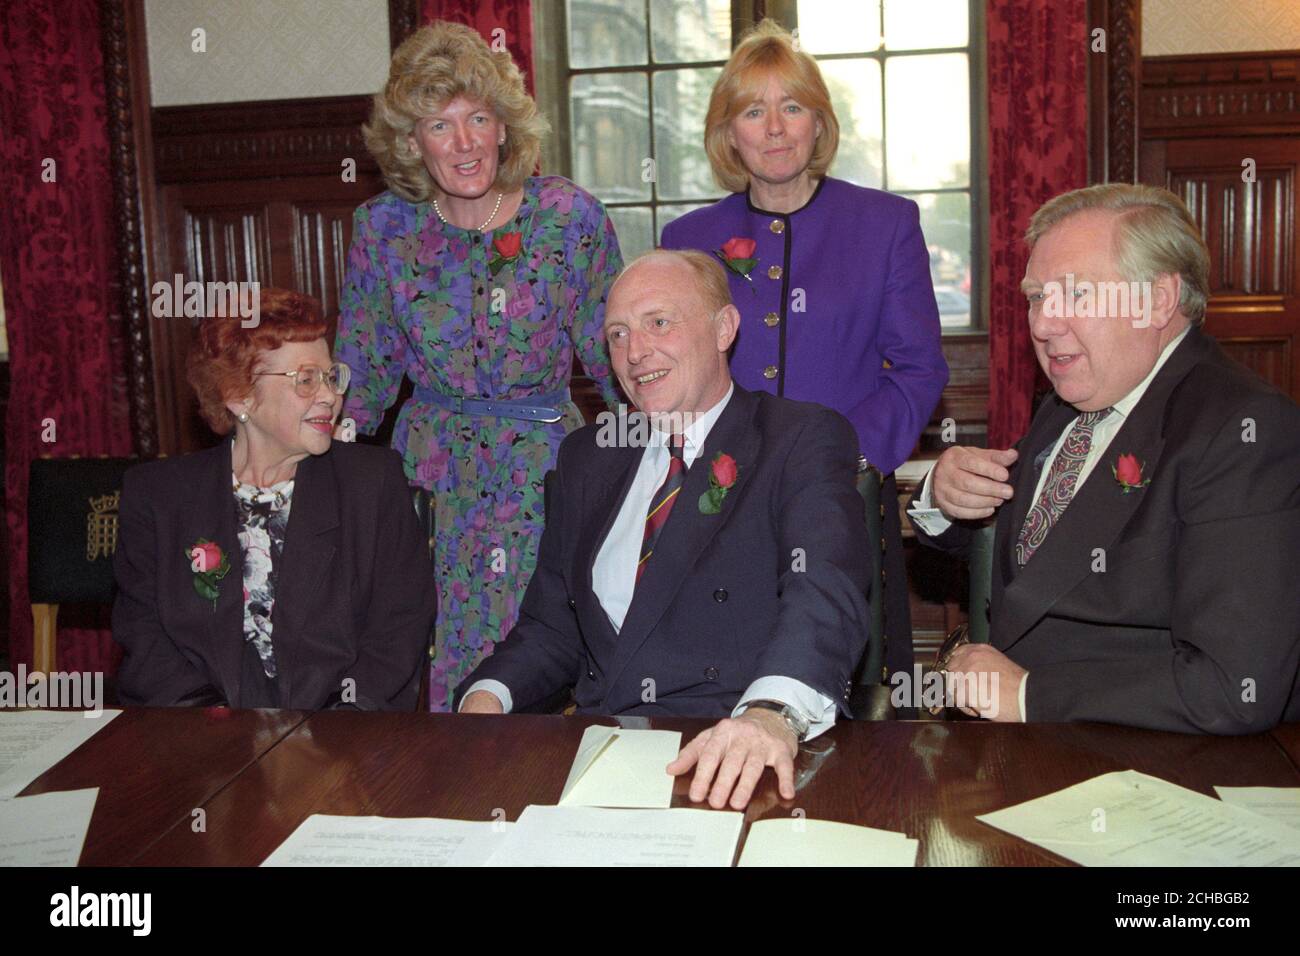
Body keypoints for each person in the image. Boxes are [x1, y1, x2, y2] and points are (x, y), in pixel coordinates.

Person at [457, 250, 872, 811]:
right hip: (601, 757)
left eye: (659, 323)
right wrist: (488, 696)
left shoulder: (797, 438)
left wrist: (771, 714)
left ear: (723, 328)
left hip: (736, 754)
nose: (635, 353)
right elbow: (553, 625)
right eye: (618, 334)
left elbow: (823, 593)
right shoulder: (589, 456)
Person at [909, 183, 1300, 732]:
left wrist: (1028, 693)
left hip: (1141, 768)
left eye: (1075, 295)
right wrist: (942, 495)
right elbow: (1025, 557)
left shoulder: (1240, 431)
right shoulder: (1079, 400)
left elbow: (1233, 687)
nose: (1043, 324)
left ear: (1158, 300)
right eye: (1036, 296)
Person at [336, 22, 623, 711]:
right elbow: (362, 369)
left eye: (479, 118)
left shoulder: (570, 218)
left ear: (504, 126)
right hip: (428, 472)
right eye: (440, 125)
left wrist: (674, 446)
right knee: (425, 647)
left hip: (544, 465)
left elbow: (620, 358)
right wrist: (311, 469)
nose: (464, 143)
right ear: (411, 143)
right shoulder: (383, 229)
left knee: (545, 644)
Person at [660, 19, 948, 687]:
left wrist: (850, 461)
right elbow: (667, 369)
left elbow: (917, 369)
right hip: (718, 500)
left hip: (844, 497)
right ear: (729, 133)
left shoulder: (885, 223)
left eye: (793, 107)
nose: (776, 128)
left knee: (853, 696)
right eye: (753, 111)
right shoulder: (688, 237)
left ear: (819, 124)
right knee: (719, 680)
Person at [113, 289, 436, 710]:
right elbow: (147, 645)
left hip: (343, 745)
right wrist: (221, 736)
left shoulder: (371, 485)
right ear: (239, 396)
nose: (329, 396)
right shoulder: (158, 498)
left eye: (332, 375)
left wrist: (331, 737)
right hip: (199, 744)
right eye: (306, 380)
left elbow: (399, 631)